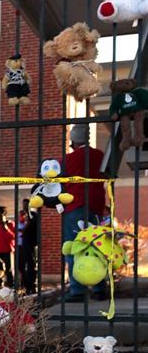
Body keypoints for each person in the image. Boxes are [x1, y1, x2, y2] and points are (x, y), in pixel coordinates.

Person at [62, 123, 107, 302]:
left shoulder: (69, 159)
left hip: (75, 206)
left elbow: (59, 180)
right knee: (95, 246)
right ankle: (99, 288)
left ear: (73, 140)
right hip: (95, 205)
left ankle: (77, 290)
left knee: (74, 247)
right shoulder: (100, 155)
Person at [16, 199, 39, 293]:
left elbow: (29, 227)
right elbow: (18, 228)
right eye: (23, 204)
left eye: (27, 204)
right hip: (21, 244)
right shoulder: (21, 214)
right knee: (21, 266)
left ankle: (31, 286)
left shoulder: (33, 215)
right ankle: (24, 285)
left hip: (31, 244)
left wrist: (27, 223)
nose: (25, 206)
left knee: (31, 265)